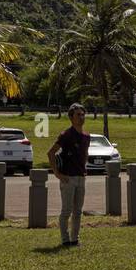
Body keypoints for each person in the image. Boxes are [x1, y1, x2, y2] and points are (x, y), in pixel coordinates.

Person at [48, 102, 90, 247]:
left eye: (83, 114)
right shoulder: (66, 135)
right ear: (71, 117)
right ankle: (65, 240)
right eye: (78, 115)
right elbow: (51, 152)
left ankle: (75, 239)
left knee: (78, 212)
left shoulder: (86, 136)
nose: (81, 117)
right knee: (66, 211)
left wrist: (85, 168)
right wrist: (57, 173)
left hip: (81, 177)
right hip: (68, 178)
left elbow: (85, 153)